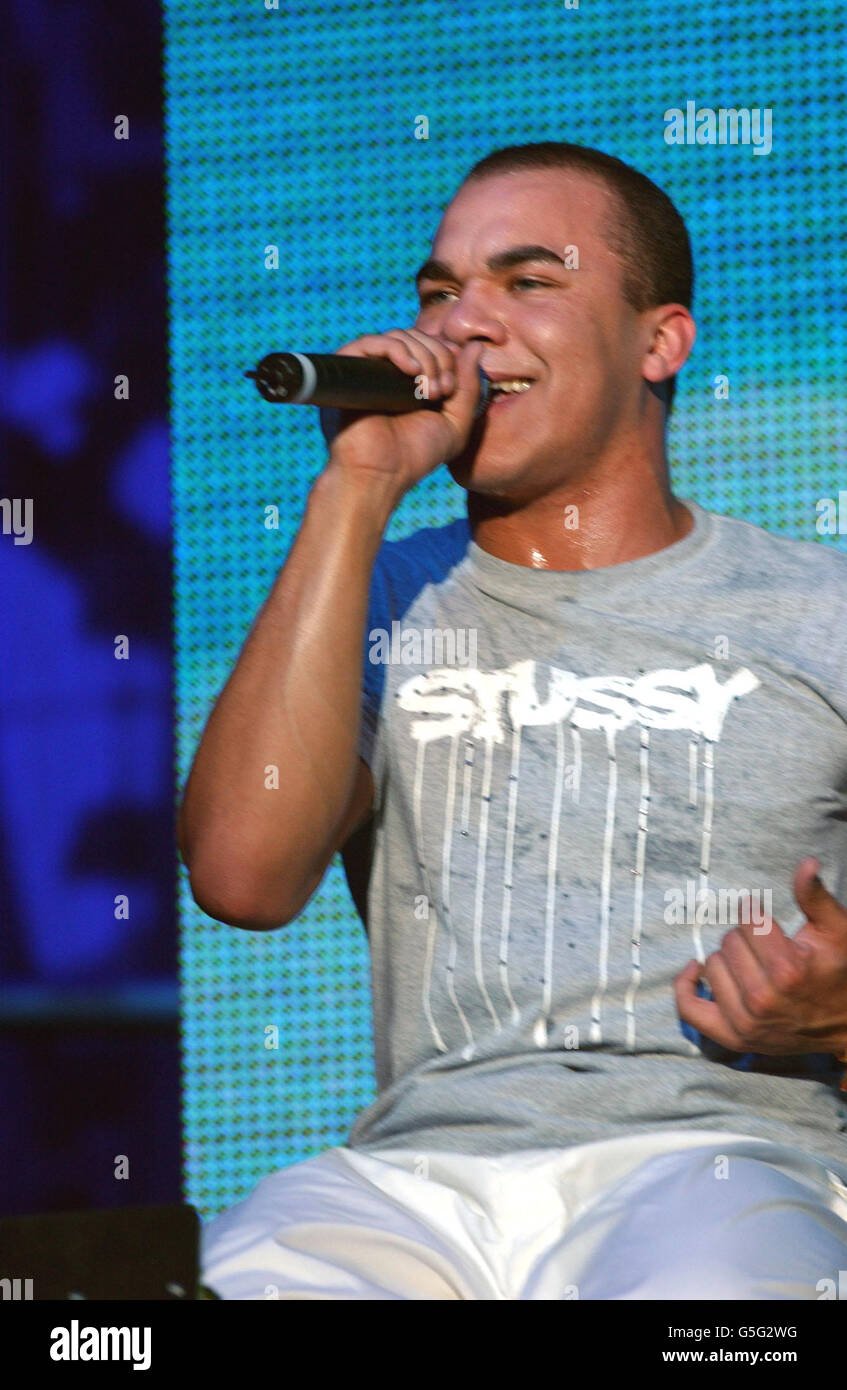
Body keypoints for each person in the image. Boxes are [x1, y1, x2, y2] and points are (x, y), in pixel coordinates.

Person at [178, 142, 847, 1300]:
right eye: (441, 292)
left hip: (723, 1161)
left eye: (527, 282)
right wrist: (356, 487)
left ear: (659, 340)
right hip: (414, 1182)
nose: (464, 326)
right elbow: (242, 876)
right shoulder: (372, 594)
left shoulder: (817, 608)